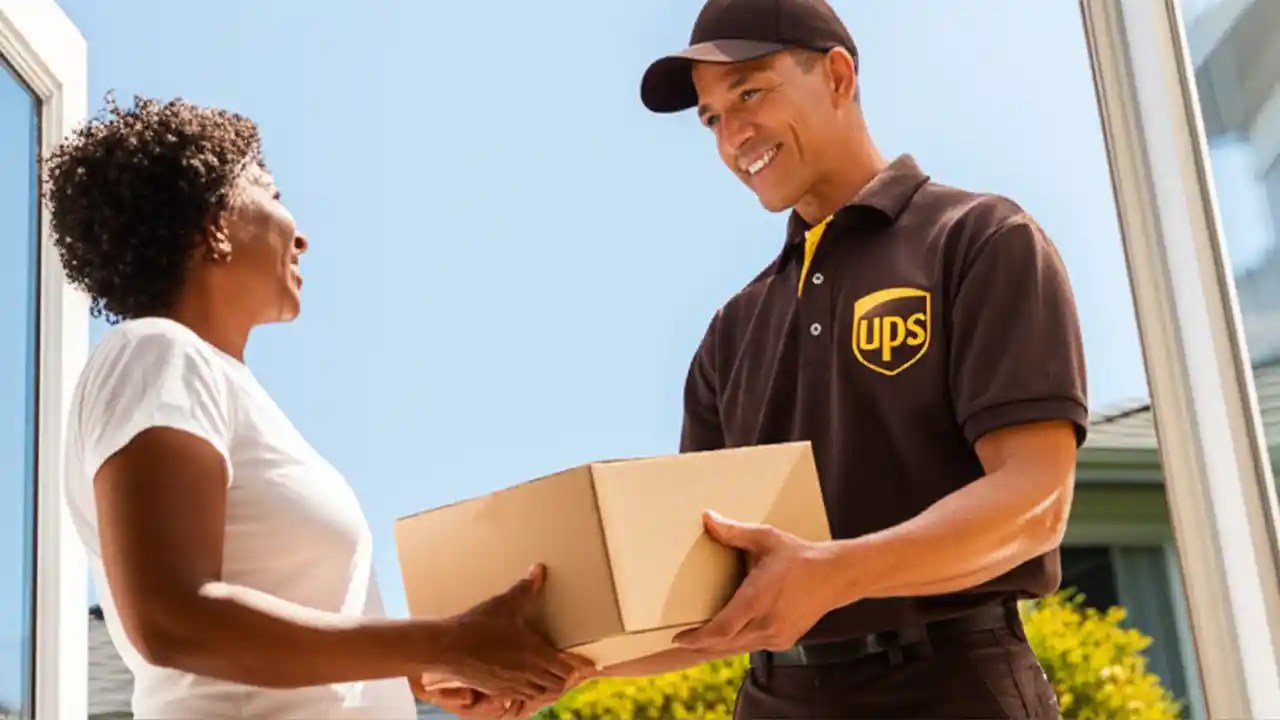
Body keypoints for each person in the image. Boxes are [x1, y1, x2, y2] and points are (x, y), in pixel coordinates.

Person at [428, 0, 1087, 717]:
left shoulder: (979, 240)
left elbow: (1035, 500)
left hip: (953, 687)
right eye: (711, 118)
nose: (733, 136)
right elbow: (706, 600)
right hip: (775, 698)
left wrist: (834, 574)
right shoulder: (731, 333)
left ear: (837, 76)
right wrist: (553, 668)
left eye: (749, 93)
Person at [46, 95, 592, 720]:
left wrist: (423, 671)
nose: (300, 234)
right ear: (215, 226)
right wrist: (448, 643)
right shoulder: (156, 352)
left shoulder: (216, 382)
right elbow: (173, 619)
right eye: (271, 194)